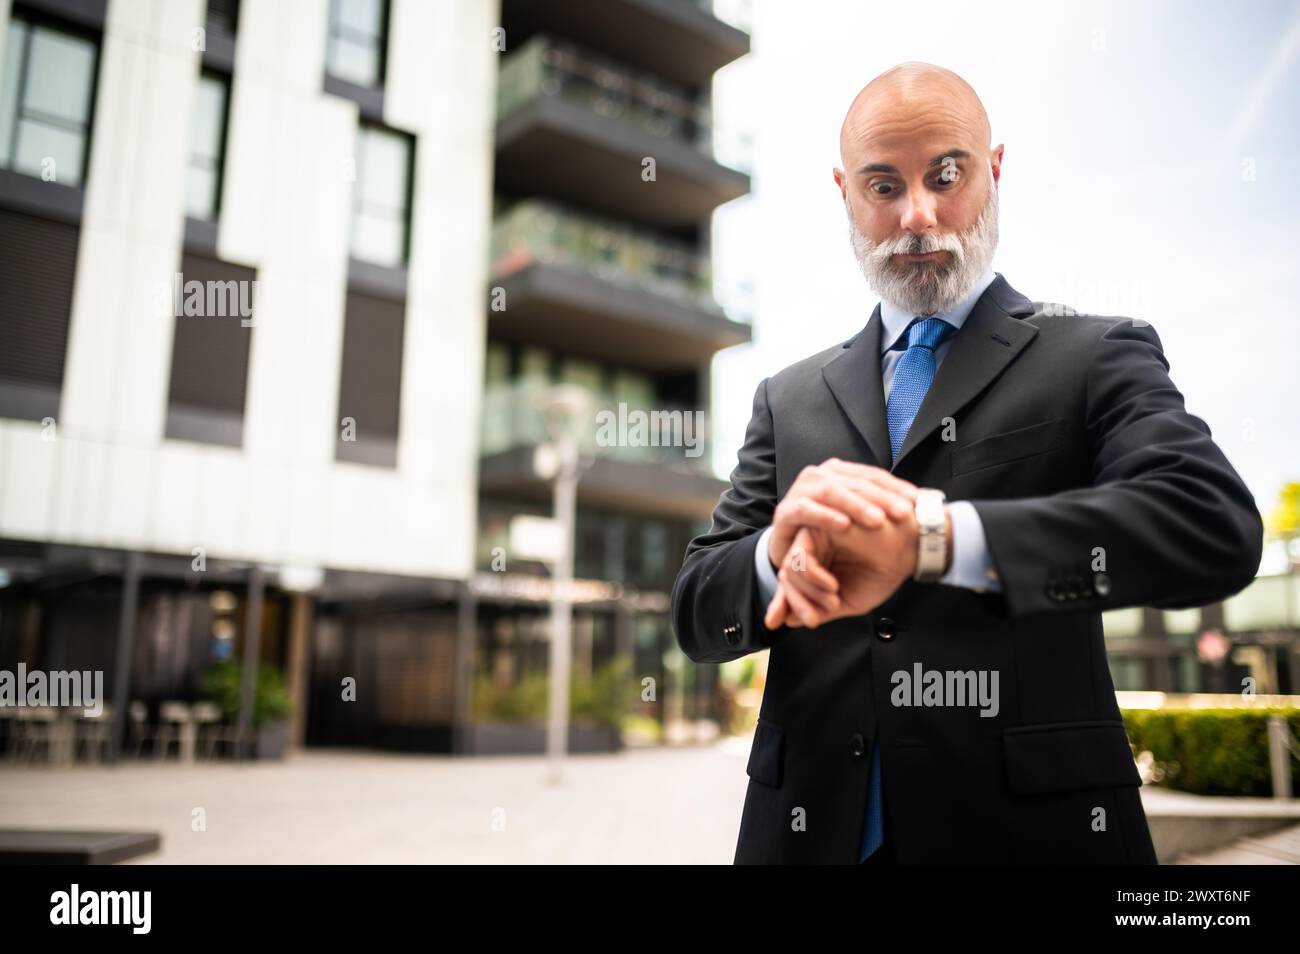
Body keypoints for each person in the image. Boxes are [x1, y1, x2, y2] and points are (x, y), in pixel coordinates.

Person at [670, 62, 1263, 865]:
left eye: (946, 175)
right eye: (884, 186)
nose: (918, 216)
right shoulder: (788, 395)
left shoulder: (1094, 351)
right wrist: (775, 561)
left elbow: (1210, 525)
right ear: (845, 192)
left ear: (994, 171)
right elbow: (697, 609)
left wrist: (934, 538)